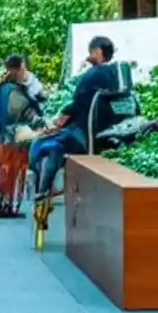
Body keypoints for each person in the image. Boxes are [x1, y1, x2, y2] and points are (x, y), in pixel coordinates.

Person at [29, 36, 121, 208]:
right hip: (103, 128)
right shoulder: (115, 74)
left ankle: (43, 187)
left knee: (49, 144)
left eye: (91, 52)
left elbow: (80, 101)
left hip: (84, 131)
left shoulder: (93, 74)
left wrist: (64, 118)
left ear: (98, 52)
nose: (89, 55)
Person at [0, 55, 45, 217]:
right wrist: (38, 121)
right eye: (22, 69)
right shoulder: (12, 89)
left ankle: (4, 204)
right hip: (13, 138)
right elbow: (18, 110)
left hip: (2, 137)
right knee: (13, 172)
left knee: (4, 171)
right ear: (18, 68)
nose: (24, 72)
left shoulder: (3, 87)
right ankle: (9, 206)